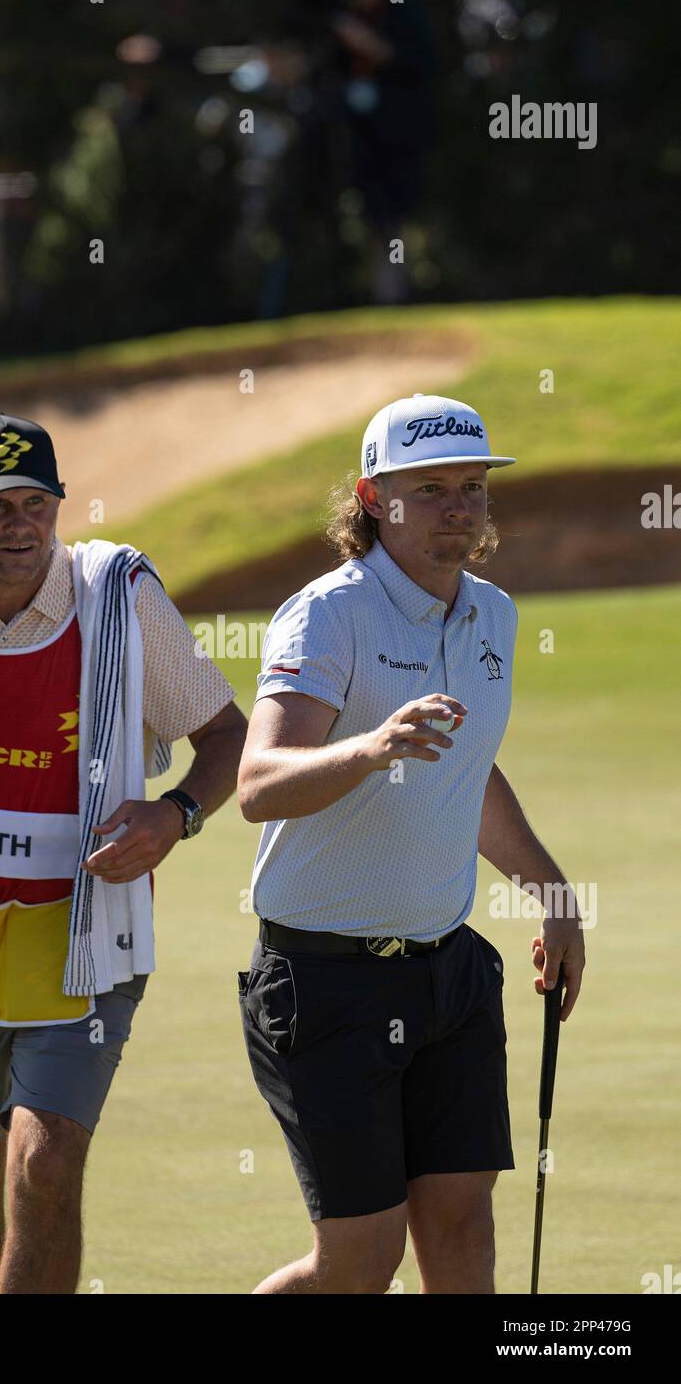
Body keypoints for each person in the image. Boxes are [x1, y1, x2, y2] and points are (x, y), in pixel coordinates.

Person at [0, 411, 247, 1295]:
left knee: (45, 1160)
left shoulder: (119, 600)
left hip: (84, 933)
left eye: (38, 503)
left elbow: (226, 735)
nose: (21, 524)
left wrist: (176, 815)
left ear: (60, 506)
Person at [236, 393, 586, 1294]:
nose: (458, 508)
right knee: (360, 1261)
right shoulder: (328, 616)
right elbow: (257, 782)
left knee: (463, 1232)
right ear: (374, 497)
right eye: (428, 489)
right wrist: (371, 746)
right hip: (324, 982)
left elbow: (467, 773)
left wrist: (550, 893)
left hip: (450, 975)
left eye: (471, 487)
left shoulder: (494, 617)